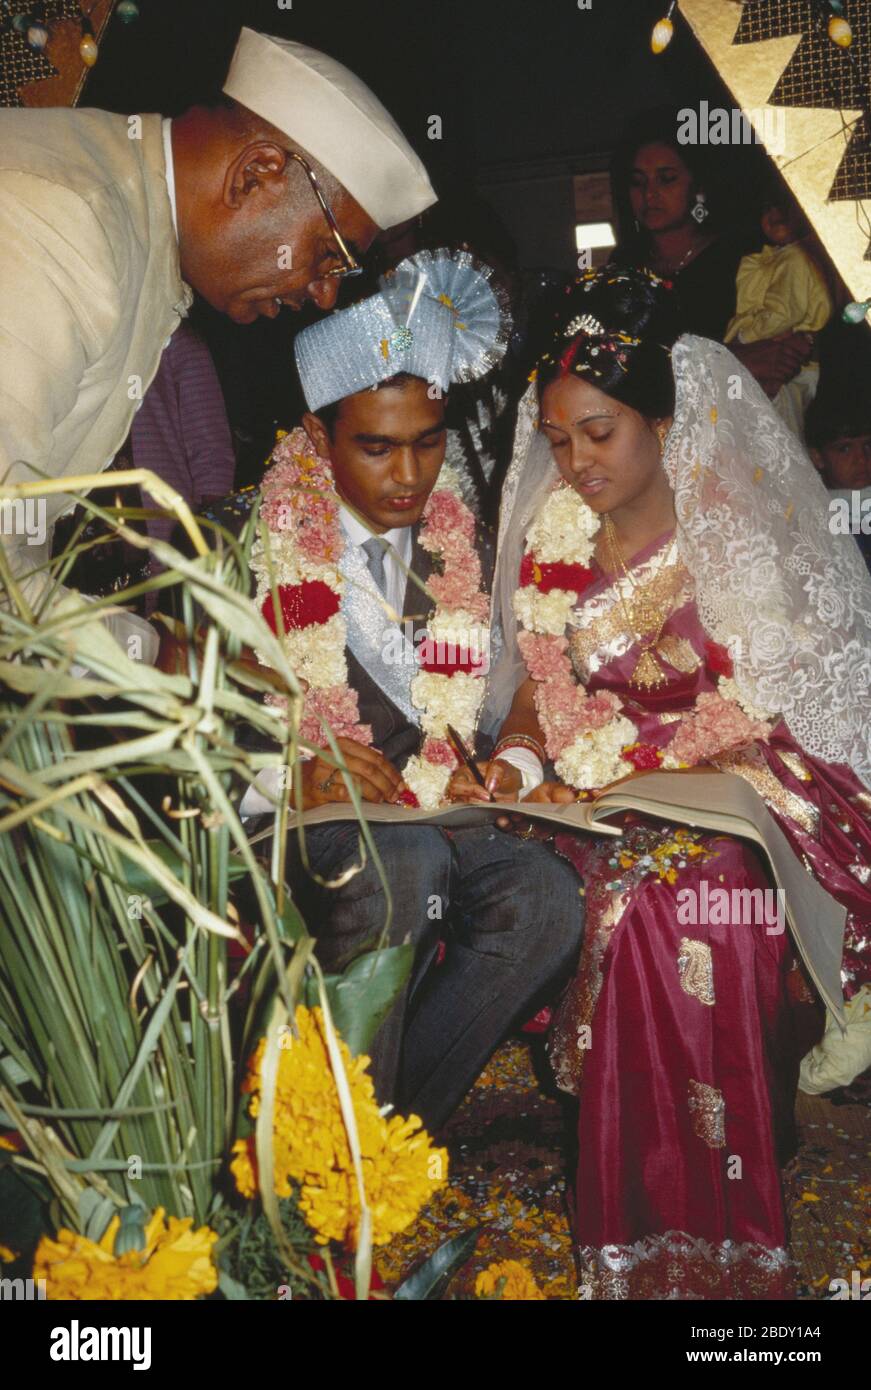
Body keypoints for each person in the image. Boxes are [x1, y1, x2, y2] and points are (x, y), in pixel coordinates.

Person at [453, 266, 871, 1298]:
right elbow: (530, 686)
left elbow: (772, 695)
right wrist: (517, 761)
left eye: (598, 432)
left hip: (733, 778)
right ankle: (631, 1212)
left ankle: (716, 1206)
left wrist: (662, 759)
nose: (575, 460)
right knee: (585, 883)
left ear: (659, 418)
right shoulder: (553, 537)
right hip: (593, 788)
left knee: (682, 900)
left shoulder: (727, 521)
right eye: (557, 438)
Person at [226, 251, 584, 1130]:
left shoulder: (463, 533)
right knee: (401, 870)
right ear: (316, 436)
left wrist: (510, 762)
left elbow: (516, 683)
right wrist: (292, 765)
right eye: (376, 446)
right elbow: (203, 717)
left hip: (439, 805)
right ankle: (337, 1170)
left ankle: (385, 1139)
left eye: (428, 442)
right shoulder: (246, 540)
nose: (409, 477)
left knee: (543, 899)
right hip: (304, 812)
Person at [0, 27, 435, 658]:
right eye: (328, 255)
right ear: (255, 174)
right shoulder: (68, 220)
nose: (324, 296)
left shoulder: (133, 226)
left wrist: (147, 651)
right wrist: (147, 662)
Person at [612, 109, 814, 400]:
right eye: (638, 182)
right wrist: (731, 360)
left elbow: (780, 341)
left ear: (698, 186)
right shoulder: (623, 269)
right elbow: (622, 368)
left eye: (666, 179)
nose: (649, 194)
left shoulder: (744, 256)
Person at [132, 323, 237, 613]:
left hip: (164, 532)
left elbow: (210, 445)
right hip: (83, 534)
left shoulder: (171, 335)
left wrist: (204, 544)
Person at [725, 192, 832, 437]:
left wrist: (742, 338)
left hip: (787, 365)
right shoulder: (772, 258)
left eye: (786, 208)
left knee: (782, 437)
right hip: (768, 357)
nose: (776, 215)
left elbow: (783, 314)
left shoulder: (796, 257)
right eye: (768, 208)